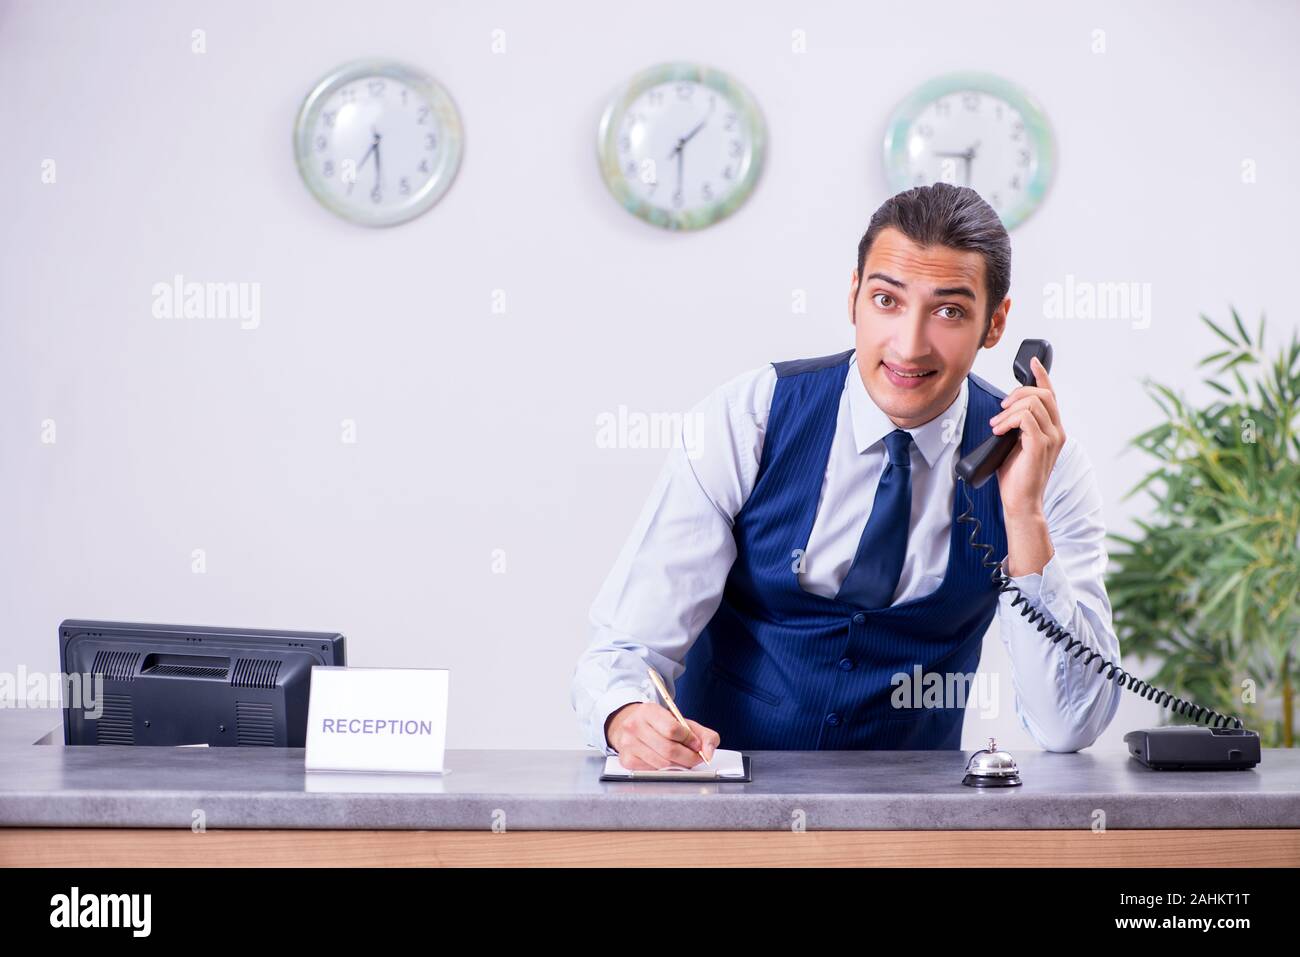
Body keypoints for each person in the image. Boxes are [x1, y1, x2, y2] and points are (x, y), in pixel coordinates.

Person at [571, 183, 1121, 770]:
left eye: (949, 311)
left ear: (995, 324)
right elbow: (626, 650)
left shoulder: (1044, 464)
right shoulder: (749, 419)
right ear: (854, 295)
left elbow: (1070, 725)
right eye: (888, 301)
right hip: (723, 811)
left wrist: (1023, 516)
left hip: (916, 828)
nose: (909, 348)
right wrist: (626, 715)